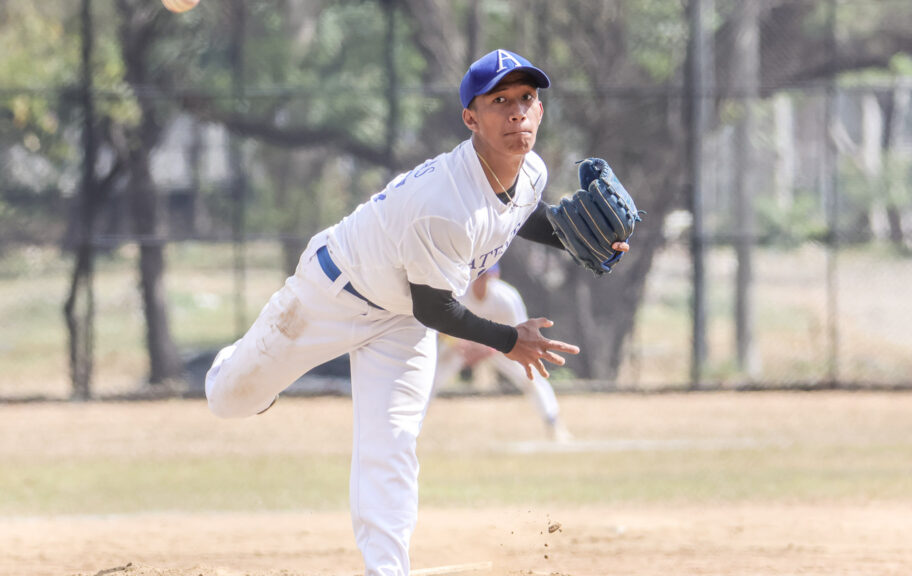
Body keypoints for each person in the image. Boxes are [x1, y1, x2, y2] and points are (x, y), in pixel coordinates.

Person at [205, 48, 629, 576]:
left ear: (540, 111)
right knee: (230, 400)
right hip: (332, 293)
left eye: (527, 98)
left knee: (393, 445)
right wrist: (508, 340)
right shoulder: (444, 205)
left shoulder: (532, 171)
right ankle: (238, 361)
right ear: (470, 118)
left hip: (400, 318)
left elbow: (519, 215)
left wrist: (577, 240)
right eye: (500, 101)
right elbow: (438, 309)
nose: (517, 111)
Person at [432, 264, 572, 442]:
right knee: (430, 379)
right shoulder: (459, 294)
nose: (481, 280)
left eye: (485, 275)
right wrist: (460, 345)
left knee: (531, 377)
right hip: (463, 345)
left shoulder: (507, 297)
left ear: (495, 275)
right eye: (478, 275)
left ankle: (553, 423)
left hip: (500, 345)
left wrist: (489, 348)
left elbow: (520, 337)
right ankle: (412, 427)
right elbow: (440, 324)